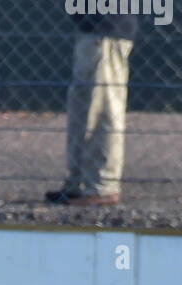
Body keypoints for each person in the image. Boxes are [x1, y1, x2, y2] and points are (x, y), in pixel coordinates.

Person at [46, 8, 138, 207]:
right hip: (89, 29)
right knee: (82, 110)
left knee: (103, 110)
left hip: (107, 28)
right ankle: (79, 183)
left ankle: (102, 187)